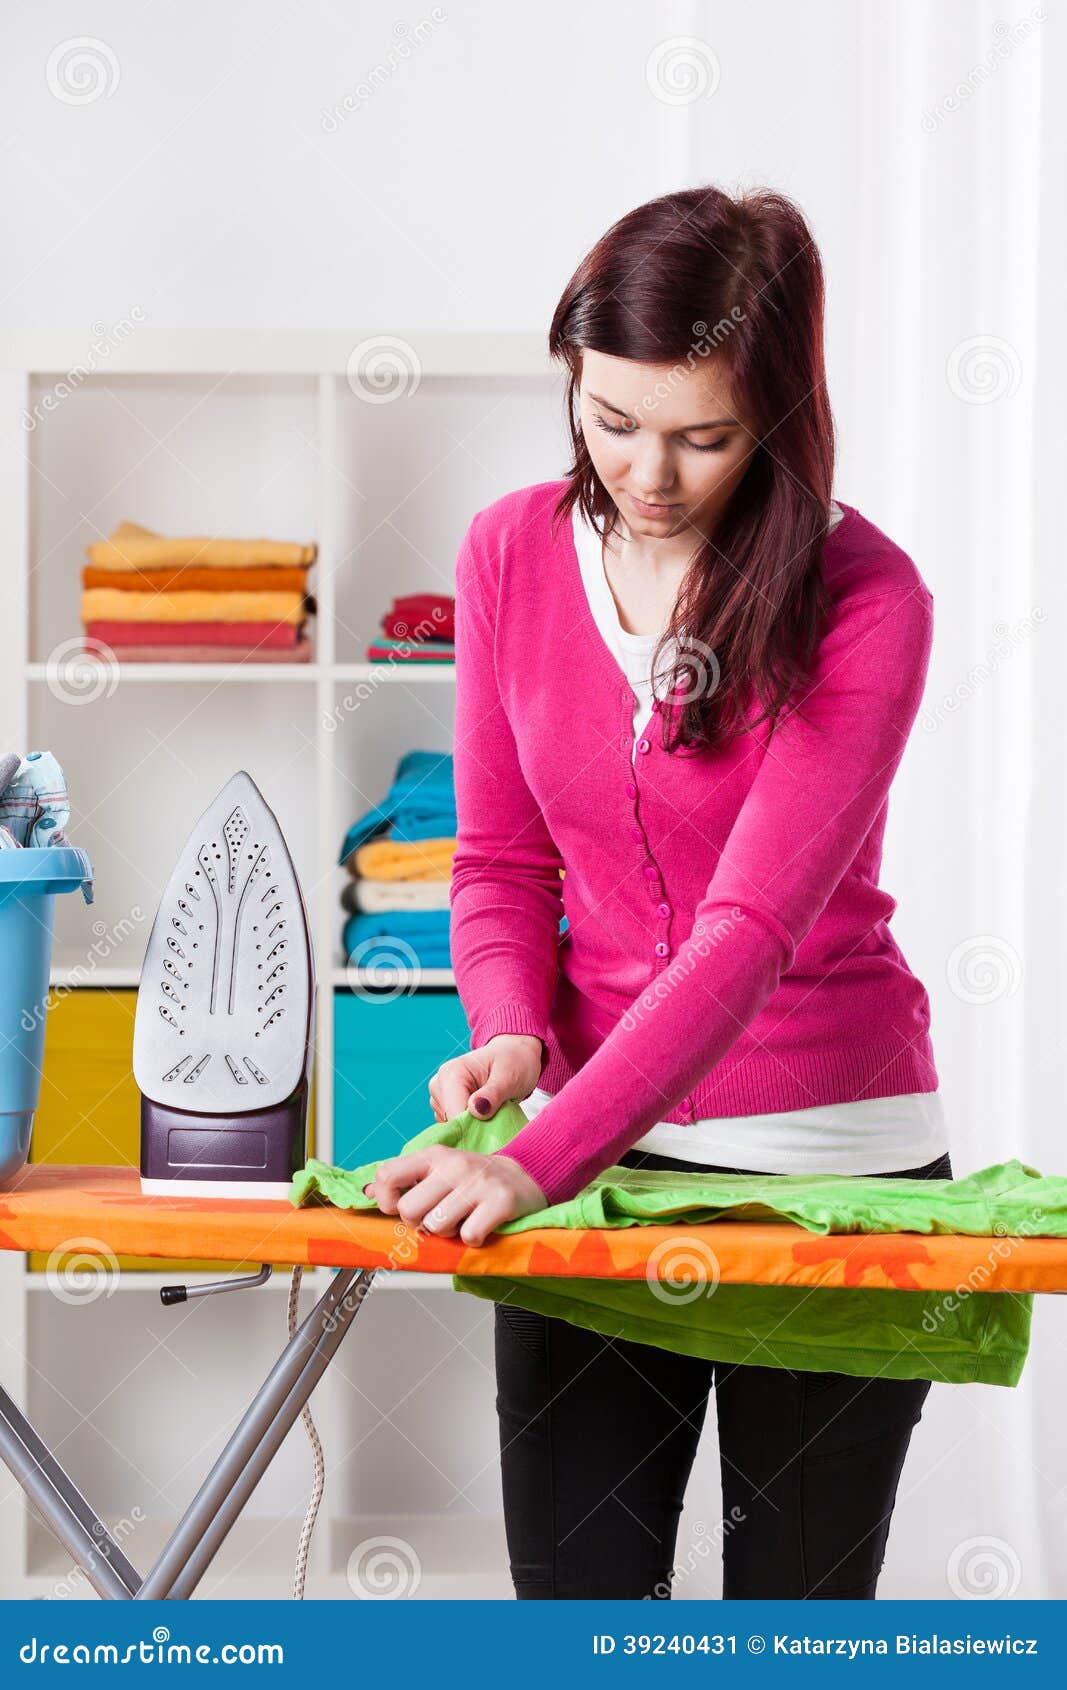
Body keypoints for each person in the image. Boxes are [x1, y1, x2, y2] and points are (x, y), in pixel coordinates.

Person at [363, 184, 951, 1599]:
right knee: (572, 1620)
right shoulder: (509, 552)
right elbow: (501, 861)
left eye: (704, 436)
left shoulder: (867, 596)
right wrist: (510, 1029)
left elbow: (746, 932)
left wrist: (531, 1159)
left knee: (789, 1637)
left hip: (828, 1169)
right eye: (611, 419)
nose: (650, 472)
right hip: (591, 1161)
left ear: (780, 414)